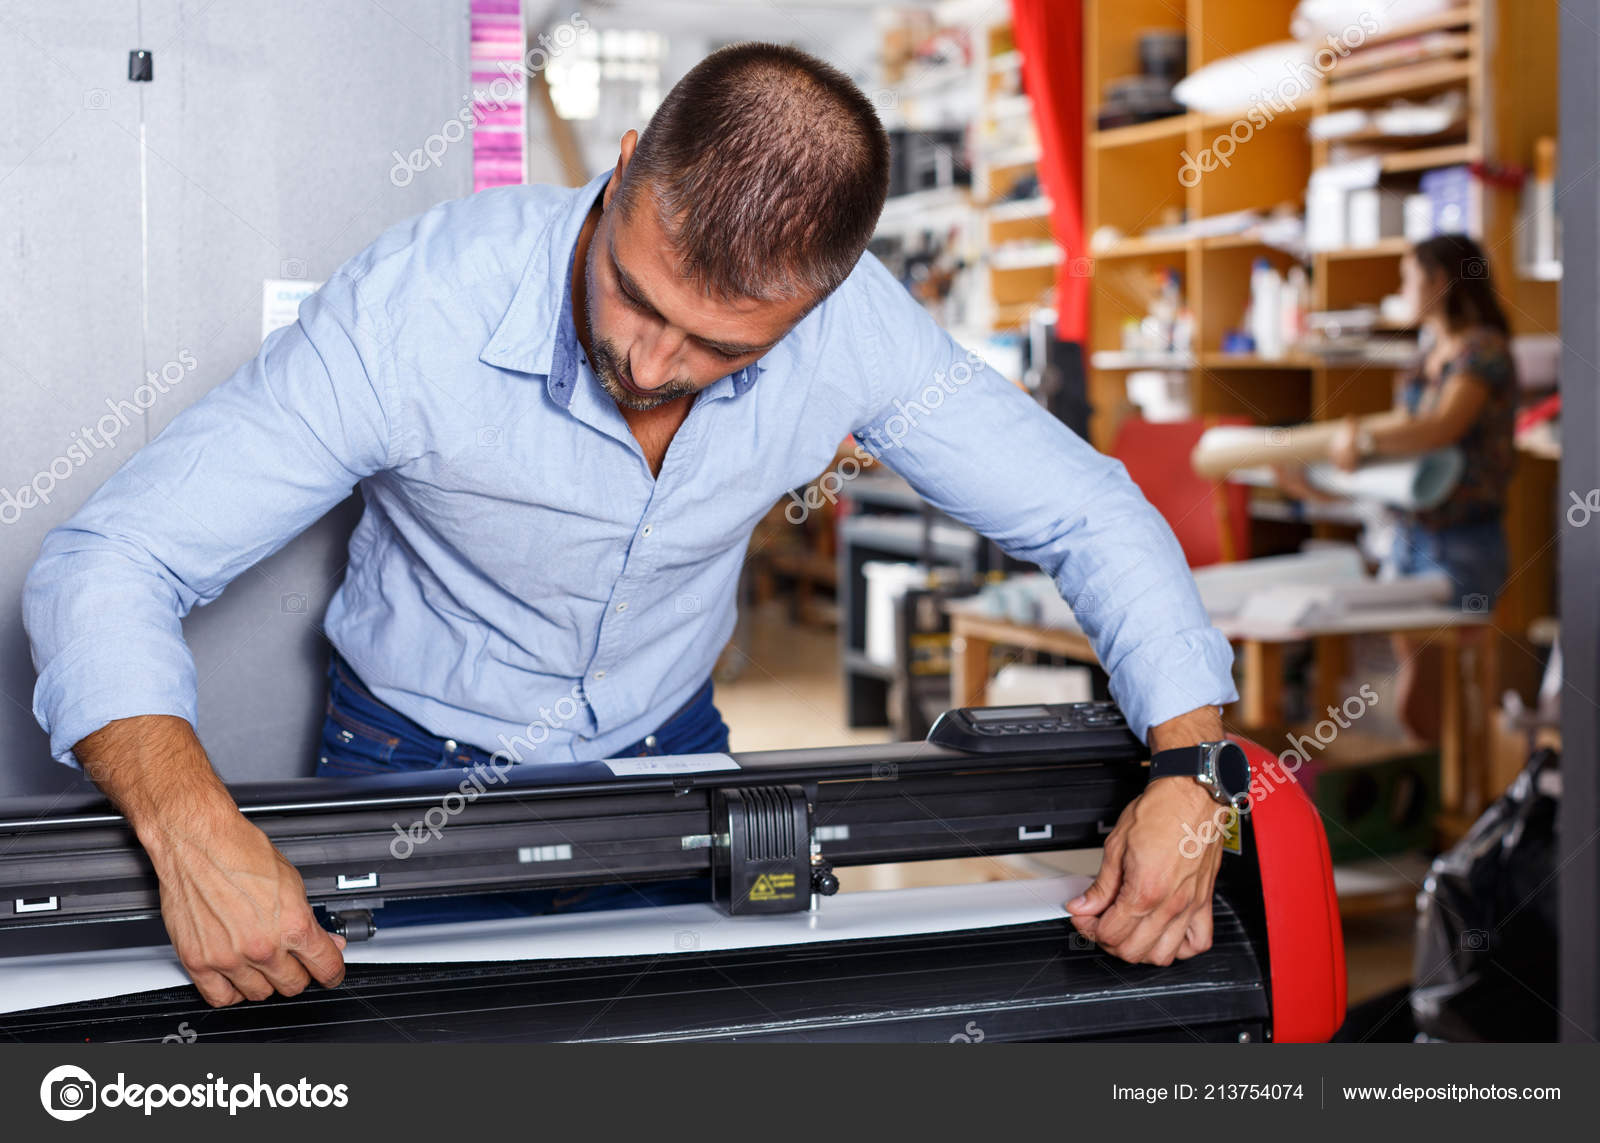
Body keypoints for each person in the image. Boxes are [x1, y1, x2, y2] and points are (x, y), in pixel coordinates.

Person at [24, 44, 1238, 1008]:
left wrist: (1191, 769)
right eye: (637, 296)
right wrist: (192, 830)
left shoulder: (858, 329)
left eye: (722, 348)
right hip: (412, 768)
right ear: (620, 169)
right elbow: (110, 558)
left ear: (817, 301)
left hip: (673, 751)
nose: (651, 364)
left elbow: (1086, 509)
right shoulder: (415, 311)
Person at [1276, 233, 1517, 740]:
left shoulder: (1483, 351)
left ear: (1439, 281)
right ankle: (1439, 801)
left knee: (1451, 690)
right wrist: (1328, 460)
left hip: (1461, 539)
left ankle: (1464, 801)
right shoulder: (1428, 349)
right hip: (1411, 533)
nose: (1402, 288)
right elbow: (1407, 429)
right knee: (1417, 694)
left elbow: (1439, 428)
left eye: (1408, 277)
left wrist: (1359, 438)